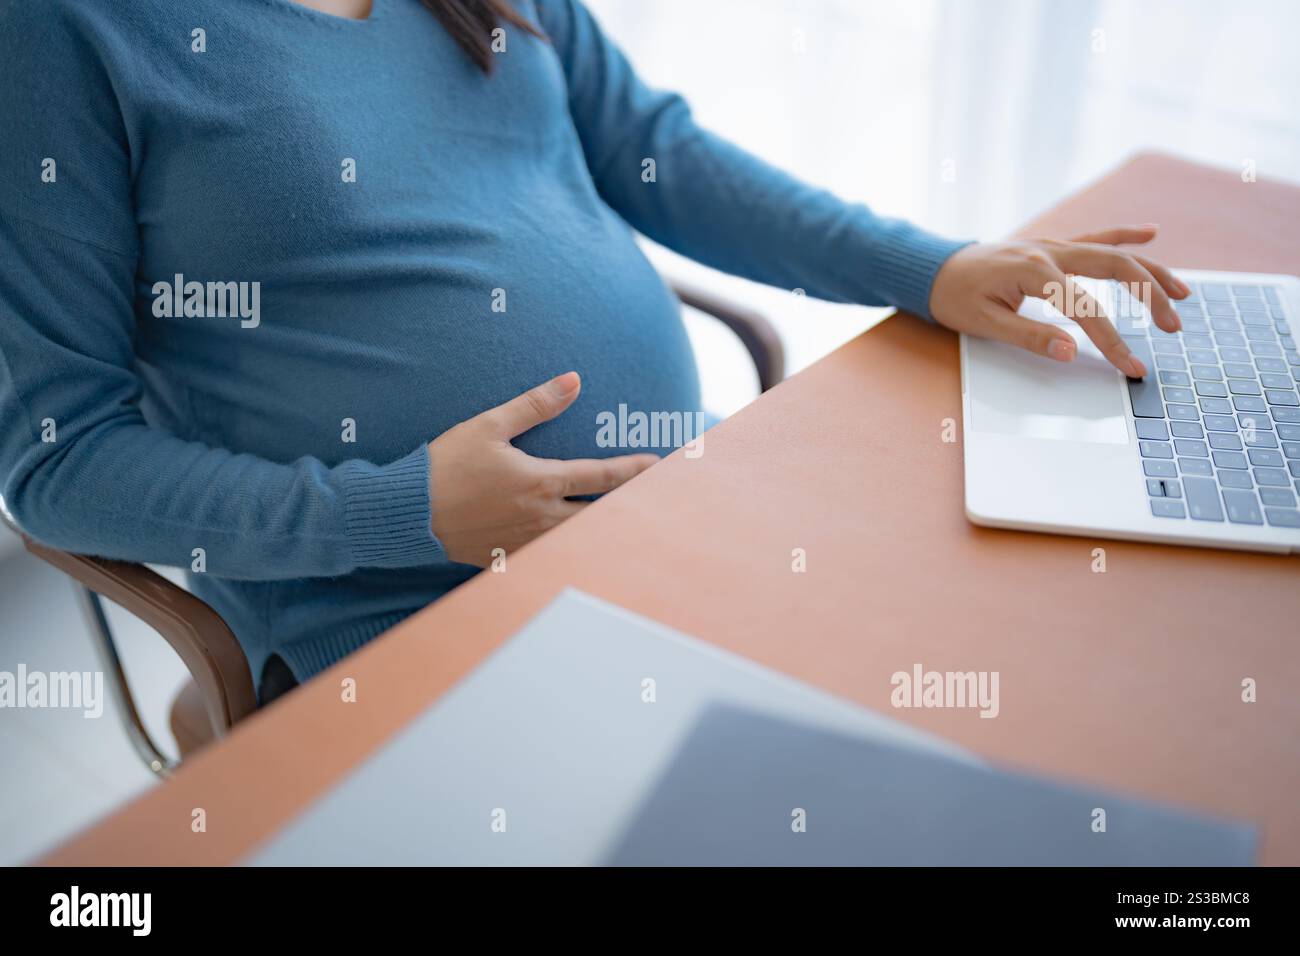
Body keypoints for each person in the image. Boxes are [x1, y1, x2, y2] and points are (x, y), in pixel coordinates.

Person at [0, 0, 1186, 702]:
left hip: (690, 519)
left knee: (1034, 687)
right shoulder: (66, 32)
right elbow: (60, 462)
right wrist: (398, 511)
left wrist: (928, 266)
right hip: (416, 618)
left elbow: (657, 151)